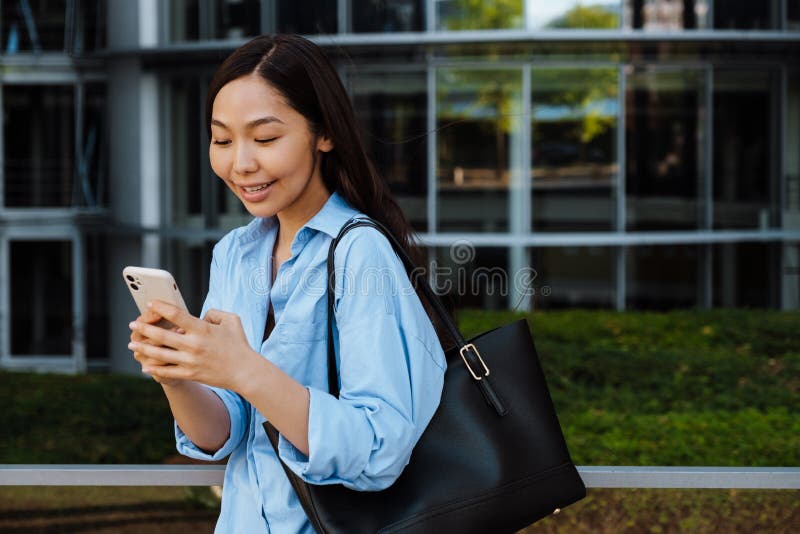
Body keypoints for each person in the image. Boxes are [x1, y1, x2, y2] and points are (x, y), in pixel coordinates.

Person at [127, 34, 448, 533]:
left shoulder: (362, 252)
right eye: (222, 139)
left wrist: (244, 369)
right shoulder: (236, 253)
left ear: (324, 134)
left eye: (265, 138)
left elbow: (379, 448)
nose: (241, 164)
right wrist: (178, 376)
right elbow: (223, 434)